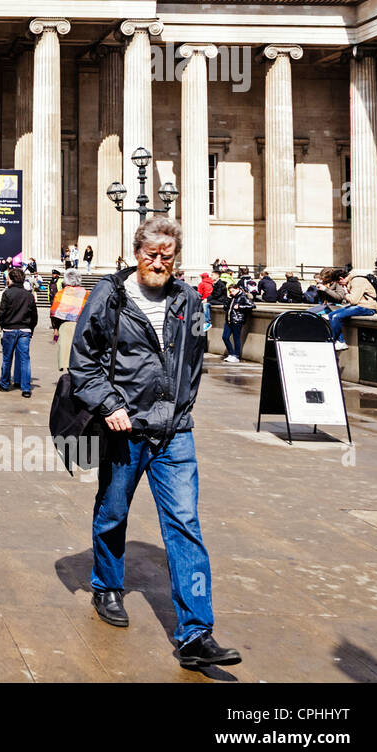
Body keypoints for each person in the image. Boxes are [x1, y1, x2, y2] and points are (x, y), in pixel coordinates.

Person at [68, 216, 241, 669]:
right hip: (125, 427)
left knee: (185, 524)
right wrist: (110, 405)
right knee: (113, 511)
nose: (159, 262)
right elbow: (82, 361)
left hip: (175, 431)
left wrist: (183, 406)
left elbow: (194, 360)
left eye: (167, 255)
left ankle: (196, 634)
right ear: (136, 251)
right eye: (151, 254)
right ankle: (107, 585)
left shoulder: (187, 298)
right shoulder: (110, 294)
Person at [0, 267, 38, 397]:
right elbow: (34, 316)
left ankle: (4, 383)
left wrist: (3, 325)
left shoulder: (7, 293)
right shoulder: (29, 295)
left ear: (12, 279)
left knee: (7, 358)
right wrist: (31, 329)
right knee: (25, 359)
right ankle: (26, 388)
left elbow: (1, 313)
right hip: (25, 329)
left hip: (9, 328)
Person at [328, 267, 377, 351]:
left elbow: (353, 300)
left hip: (367, 307)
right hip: (360, 305)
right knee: (331, 315)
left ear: (341, 278)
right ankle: (339, 341)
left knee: (336, 316)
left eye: (339, 283)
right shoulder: (352, 281)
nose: (340, 285)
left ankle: (336, 341)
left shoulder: (357, 281)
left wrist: (345, 293)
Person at [50, 268, 89, 372]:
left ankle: (68, 378)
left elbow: (54, 313)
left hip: (65, 325)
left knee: (66, 355)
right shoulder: (86, 293)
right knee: (79, 355)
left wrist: (55, 328)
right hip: (81, 326)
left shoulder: (61, 293)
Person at [221, 282, 255, 363]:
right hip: (229, 320)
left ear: (237, 289)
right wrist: (228, 299)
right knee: (225, 337)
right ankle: (231, 353)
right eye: (230, 291)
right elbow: (225, 307)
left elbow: (252, 305)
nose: (231, 293)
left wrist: (240, 307)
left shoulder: (243, 296)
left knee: (236, 338)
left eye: (232, 291)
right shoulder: (232, 297)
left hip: (237, 320)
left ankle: (236, 355)